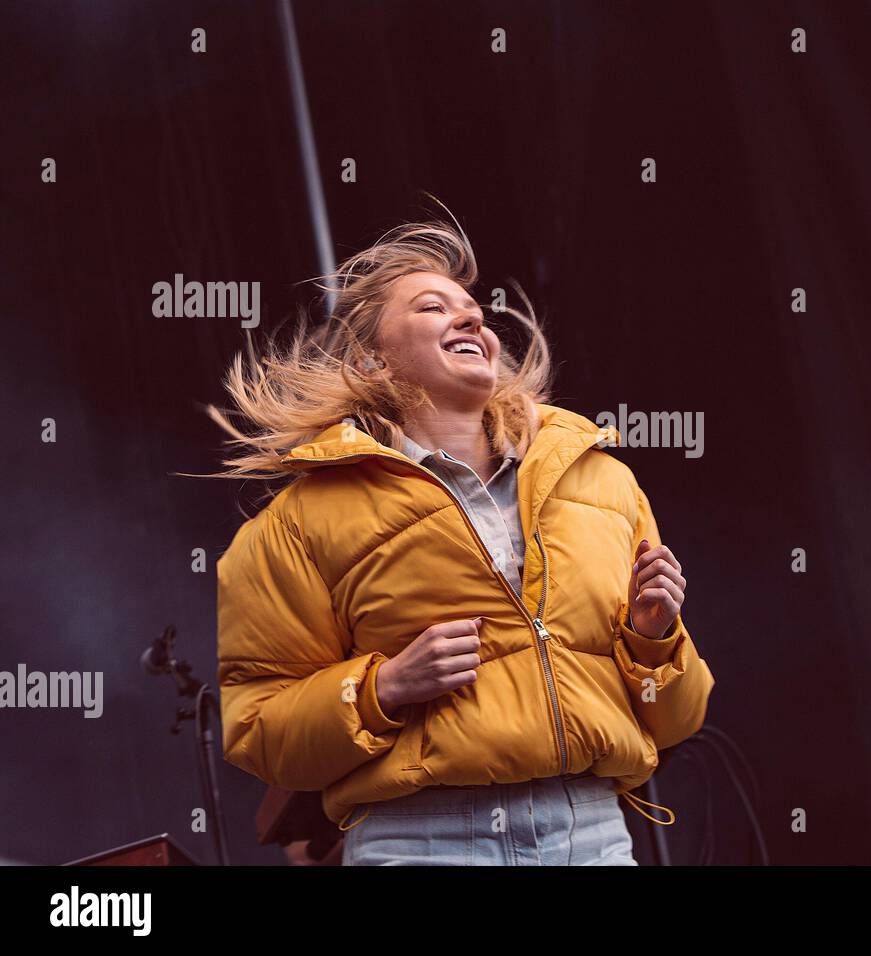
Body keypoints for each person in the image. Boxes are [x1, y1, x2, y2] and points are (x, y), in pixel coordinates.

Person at [208, 216, 714, 865]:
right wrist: (383, 688)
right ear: (371, 358)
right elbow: (258, 730)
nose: (473, 321)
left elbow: (675, 719)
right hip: (423, 838)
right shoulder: (297, 522)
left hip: (589, 835)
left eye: (477, 313)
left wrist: (653, 640)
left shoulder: (603, 481)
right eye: (433, 306)